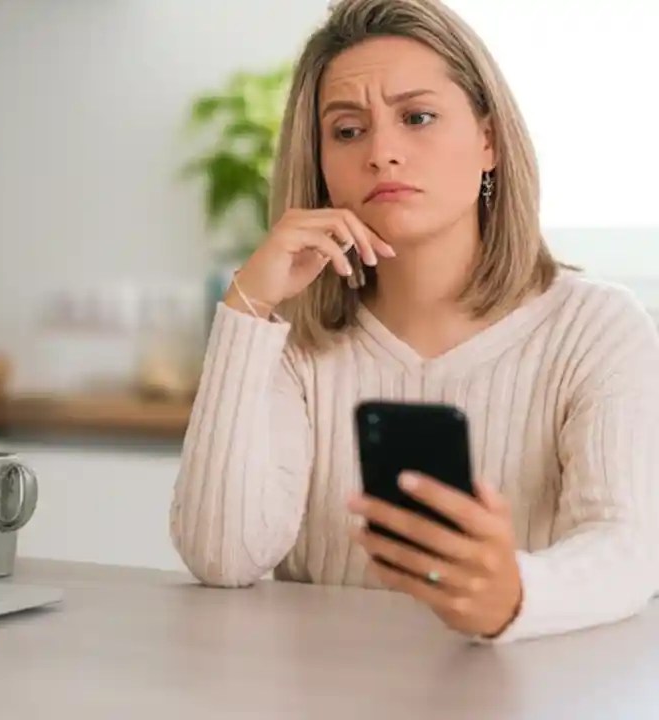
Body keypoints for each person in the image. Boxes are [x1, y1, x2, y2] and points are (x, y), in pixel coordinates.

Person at [170, 0, 659, 643]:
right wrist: (248, 307)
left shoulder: (597, 327)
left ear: (488, 139)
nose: (382, 153)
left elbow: (629, 550)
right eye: (348, 131)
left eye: (417, 117)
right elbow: (222, 558)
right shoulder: (292, 338)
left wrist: (516, 595)